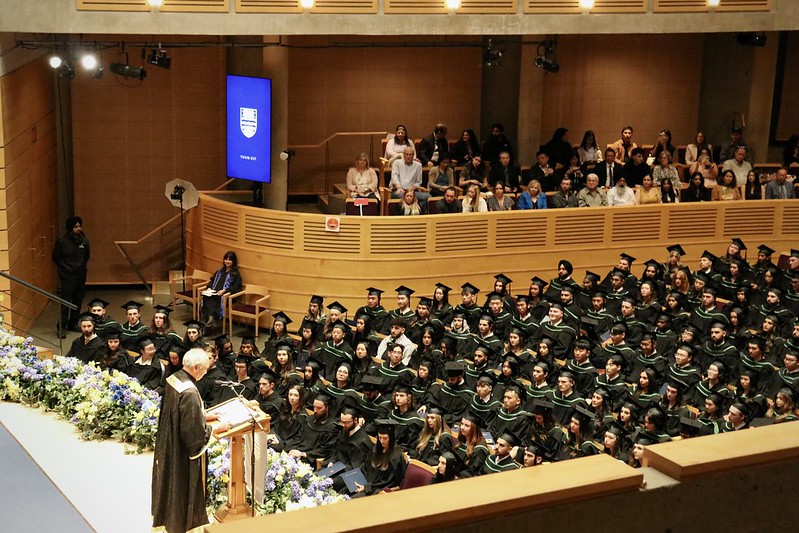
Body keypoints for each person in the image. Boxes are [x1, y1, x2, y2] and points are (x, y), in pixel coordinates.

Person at [152, 348, 220, 533]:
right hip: (181, 454)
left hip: (169, 442)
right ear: (196, 367)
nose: (205, 373)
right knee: (180, 490)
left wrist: (202, 415)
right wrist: (214, 429)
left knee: (169, 485)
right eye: (204, 369)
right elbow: (194, 437)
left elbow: (179, 413)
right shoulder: (189, 392)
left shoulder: (174, 379)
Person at [52, 215, 90, 337]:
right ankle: (62, 327)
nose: (79, 228)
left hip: (80, 276)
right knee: (65, 303)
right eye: (76, 227)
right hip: (67, 278)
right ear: (70, 228)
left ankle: (73, 323)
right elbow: (55, 258)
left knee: (78, 301)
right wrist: (65, 270)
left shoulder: (84, 241)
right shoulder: (62, 242)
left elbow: (86, 257)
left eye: (79, 226)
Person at [353, 419, 406, 495]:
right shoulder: (375, 449)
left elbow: (389, 481)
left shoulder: (395, 457)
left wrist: (368, 487)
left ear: (391, 438)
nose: (382, 441)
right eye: (380, 437)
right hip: (366, 483)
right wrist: (358, 478)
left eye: (385, 438)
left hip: (377, 489)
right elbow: (366, 466)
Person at [201, 251, 242, 328]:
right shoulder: (220, 271)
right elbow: (212, 280)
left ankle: (210, 320)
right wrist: (209, 287)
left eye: (230, 260)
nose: (227, 261)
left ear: (233, 261)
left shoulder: (235, 274)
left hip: (226, 296)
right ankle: (210, 320)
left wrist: (224, 291)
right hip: (214, 293)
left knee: (211, 300)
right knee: (206, 297)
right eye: (226, 259)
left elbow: (236, 287)